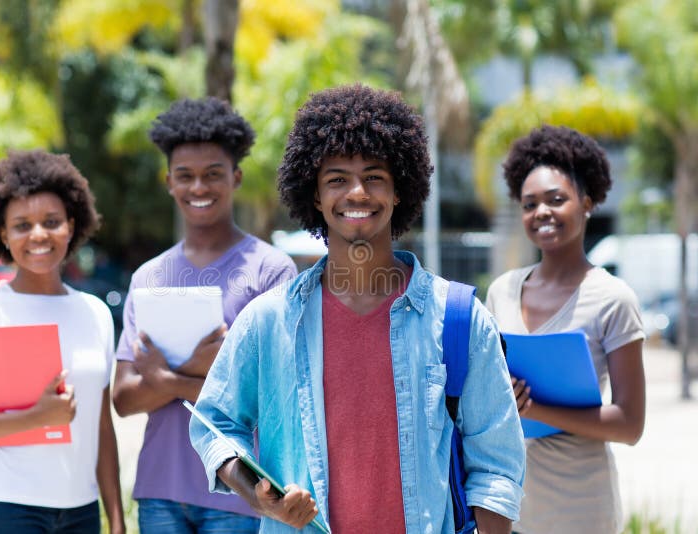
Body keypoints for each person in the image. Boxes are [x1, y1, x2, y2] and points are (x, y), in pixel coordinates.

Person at [189, 84, 525, 534]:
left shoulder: (460, 319)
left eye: (374, 176)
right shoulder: (268, 321)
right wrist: (261, 498)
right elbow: (215, 424)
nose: (357, 192)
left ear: (400, 190)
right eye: (337, 179)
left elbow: (496, 466)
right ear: (314, 195)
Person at [111, 97, 297, 534]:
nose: (199, 187)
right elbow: (123, 400)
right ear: (169, 183)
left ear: (236, 177)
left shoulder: (271, 271)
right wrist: (206, 369)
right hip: (160, 490)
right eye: (186, 176)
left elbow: (274, 395)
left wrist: (170, 379)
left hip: (241, 492)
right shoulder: (149, 275)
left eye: (213, 174)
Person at [0, 150, 125, 534]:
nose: (38, 235)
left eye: (51, 222)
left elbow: (102, 427)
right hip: (5, 510)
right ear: (2, 234)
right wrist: (34, 418)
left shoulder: (96, 313)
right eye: (22, 225)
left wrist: (115, 519)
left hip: (81, 514)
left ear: (71, 224)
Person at [485, 125, 646, 534]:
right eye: (529, 204)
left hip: (582, 512)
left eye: (557, 199)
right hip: (511, 509)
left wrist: (533, 409)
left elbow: (629, 424)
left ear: (587, 203)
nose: (541, 212)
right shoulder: (502, 291)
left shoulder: (612, 298)